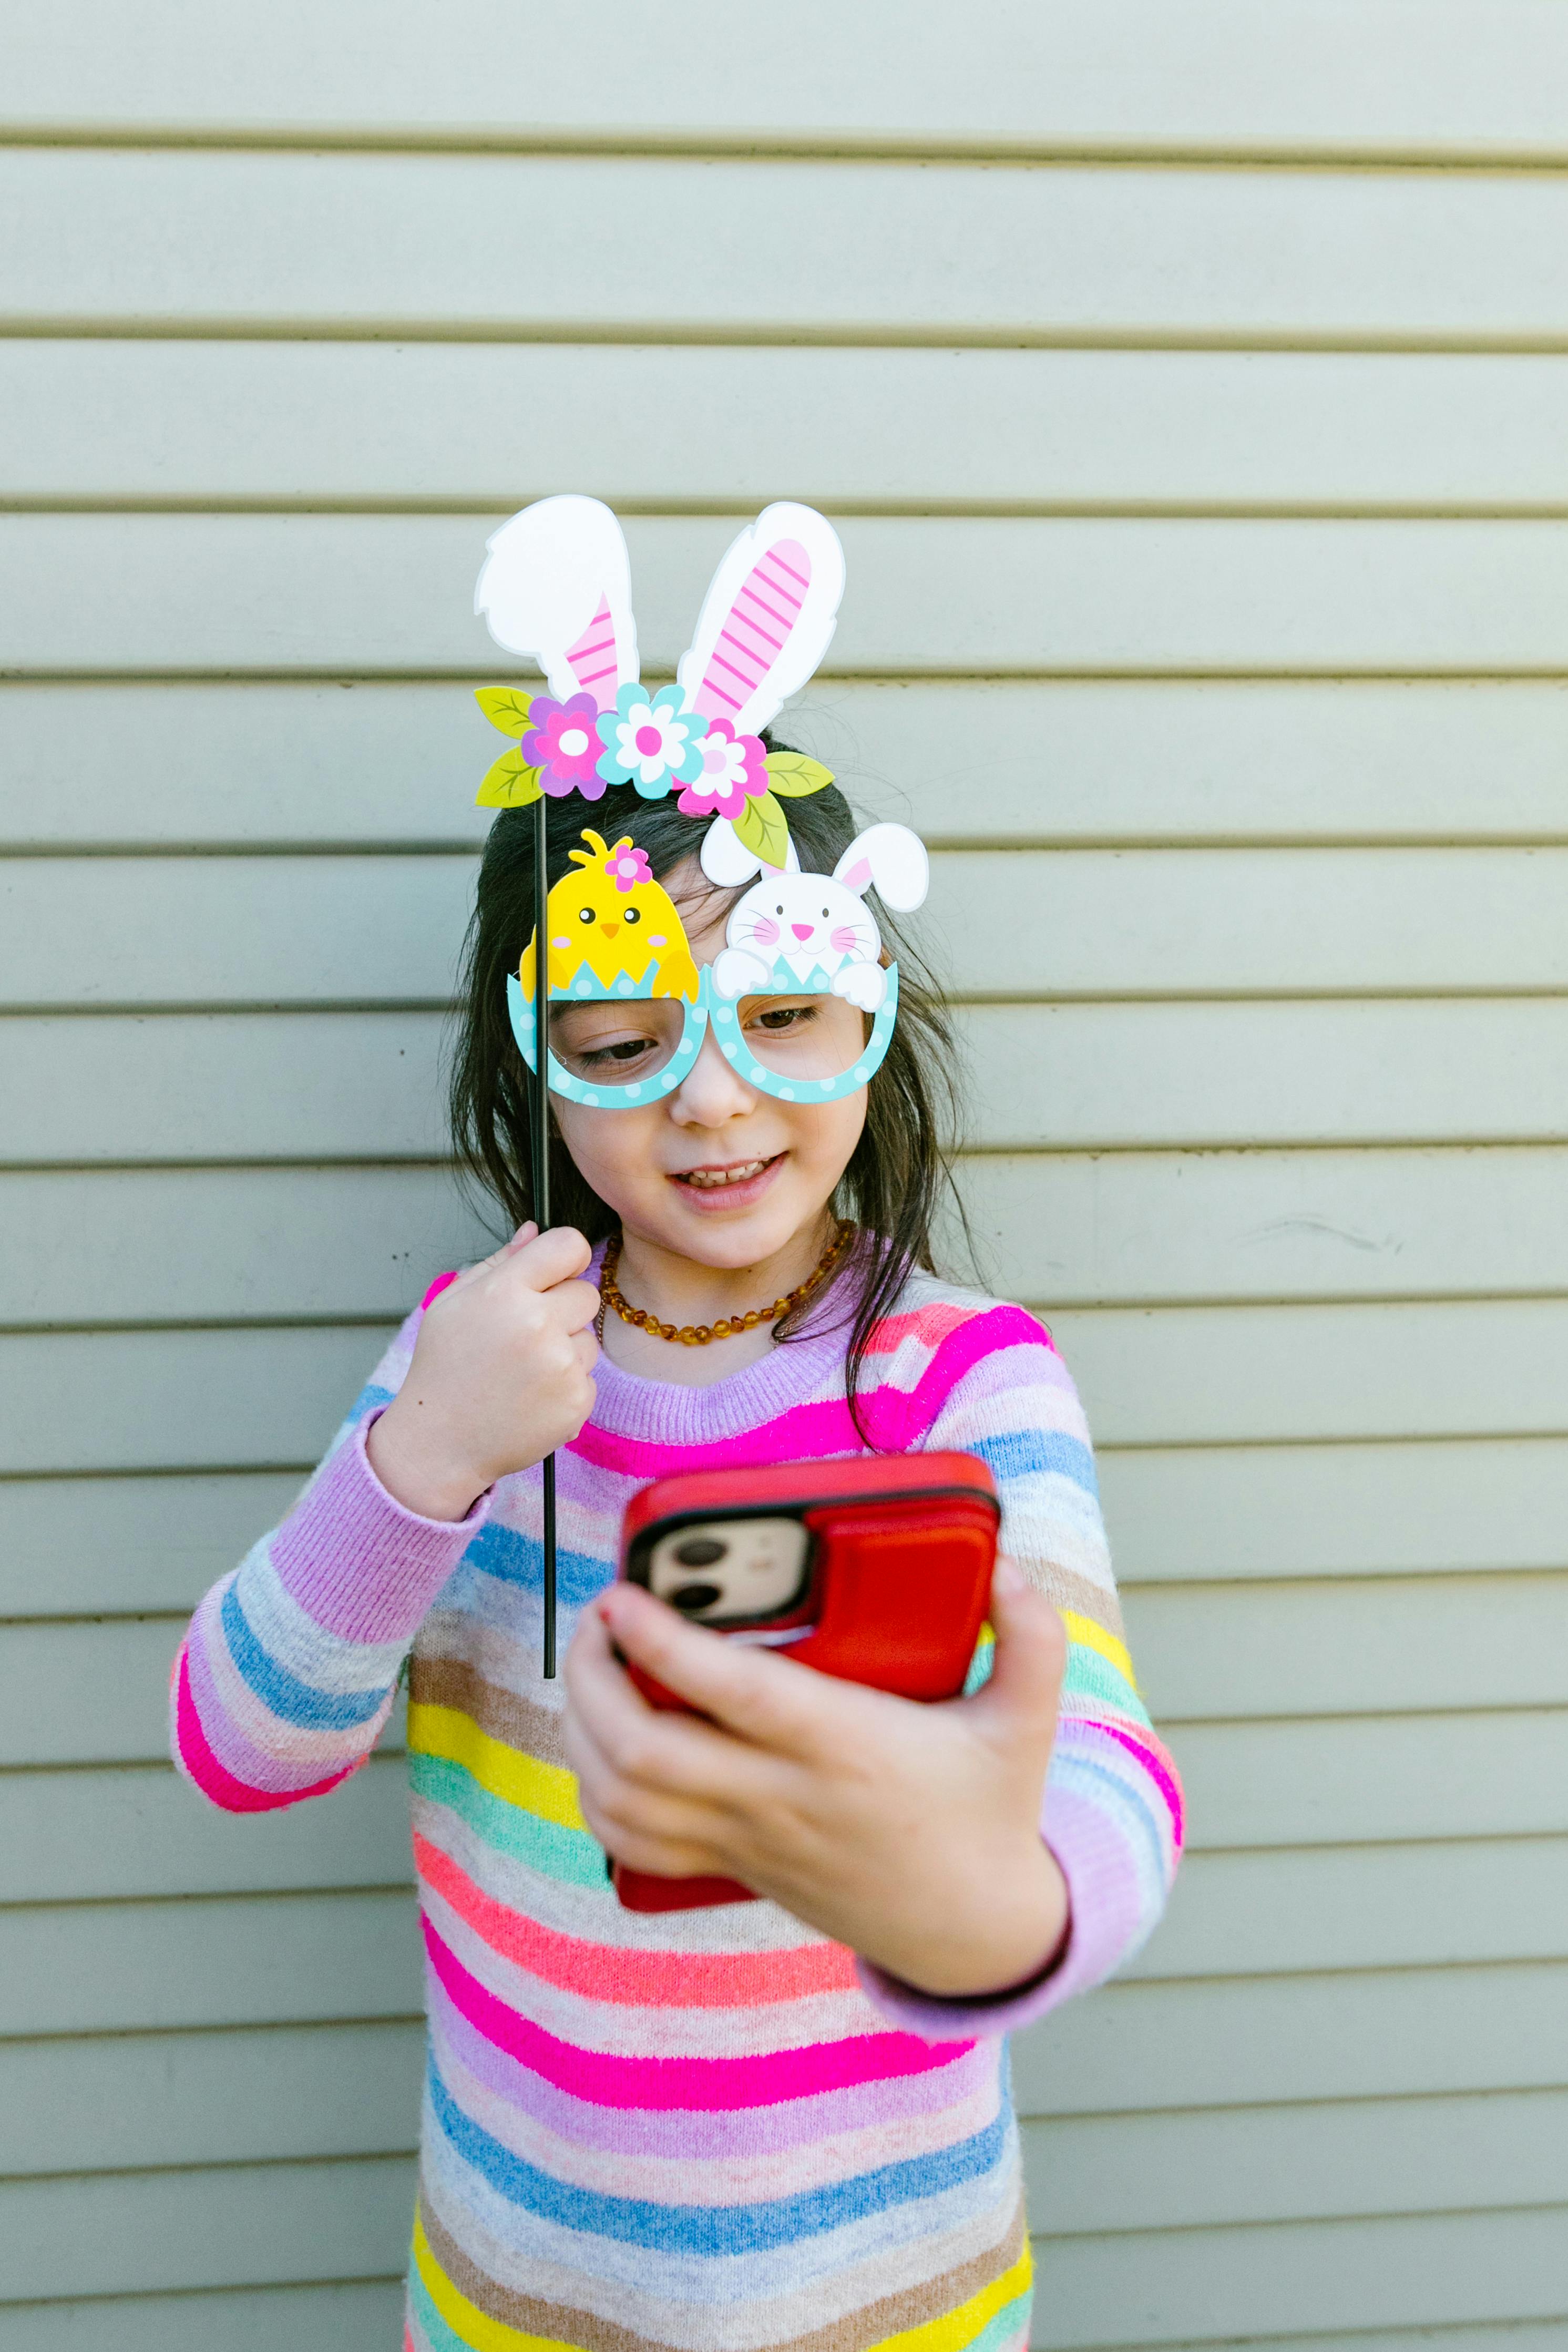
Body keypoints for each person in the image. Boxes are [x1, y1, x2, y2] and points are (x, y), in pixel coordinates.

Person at [171, 502, 1182, 2352]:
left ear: (871, 1020)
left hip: (896, 2305)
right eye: (626, 1040)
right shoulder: (473, 1362)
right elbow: (241, 1743)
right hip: (520, 2297)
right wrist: (425, 1461)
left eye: (784, 1011)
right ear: (529, 1059)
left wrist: (993, 1900)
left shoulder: (963, 1379)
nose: (714, 1102)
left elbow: (1110, 1767)